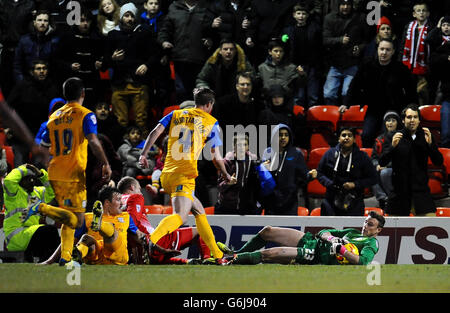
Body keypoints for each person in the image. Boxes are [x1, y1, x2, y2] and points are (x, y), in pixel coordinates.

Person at [139, 87, 236, 264]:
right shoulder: (211, 122)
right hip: (184, 175)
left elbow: (155, 132)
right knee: (181, 216)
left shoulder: (176, 114)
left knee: (199, 211)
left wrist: (144, 154)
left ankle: (218, 255)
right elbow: (215, 156)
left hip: (167, 173)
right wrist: (226, 175)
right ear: (209, 104)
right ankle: (151, 239)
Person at [40, 77, 112, 265]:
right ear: (83, 94)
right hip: (73, 174)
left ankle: (64, 257)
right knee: (78, 221)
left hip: (55, 171)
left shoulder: (54, 117)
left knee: (68, 217)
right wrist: (105, 162)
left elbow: (43, 146)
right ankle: (41, 208)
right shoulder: (85, 115)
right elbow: (94, 141)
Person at [217, 210, 385, 265]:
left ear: (378, 230)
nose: (365, 226)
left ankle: (230, 260)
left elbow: (363, 262)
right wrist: (332, 239)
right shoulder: (352, 232)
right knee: (267, 231)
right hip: (313, 241)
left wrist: (341, 249)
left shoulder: (372, 243)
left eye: (370, 225)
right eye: (365, 222)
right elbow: (323, 232)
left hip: (316, 254)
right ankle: (235, 251)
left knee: (269, 254)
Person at [117, 176, 211, 264]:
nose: (141, 193)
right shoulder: (135, 197)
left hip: (136, 251)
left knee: (159, 258)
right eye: (139, 189)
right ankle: (208, 260)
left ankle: (186, 262)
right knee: (200, 231)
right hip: (153, 242)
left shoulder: (117, 204)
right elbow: (132, 221)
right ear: (132, 187)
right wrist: (149, 243)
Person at [102, 2, 161, 136]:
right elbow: (104, 63)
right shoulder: (113, 35)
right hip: (119, 84)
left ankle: (145, 151)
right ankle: (120, 150)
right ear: (121, 17)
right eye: (127, 15)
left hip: (139, 84)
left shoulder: (144, 32)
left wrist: (146, 65)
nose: (130, 19)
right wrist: (113, 58)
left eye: (132, 16)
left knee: (141, 121)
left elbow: (156, 54)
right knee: (120, 121)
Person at [346, 38, 417, 148]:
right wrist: (346, 103)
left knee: (388, 136)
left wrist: (411, 108)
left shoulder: (400, 69)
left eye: (388, 50)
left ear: (393, 51)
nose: (384, 52)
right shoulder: (367, 65)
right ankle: (369, 161)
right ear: (377, 50)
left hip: (393, 109)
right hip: (373, 109)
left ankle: (386, 163)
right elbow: (354, 85)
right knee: (366, 135)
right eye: (382, 49)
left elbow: (411, 91)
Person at [379, 104, 444, 216]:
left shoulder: (426, 136)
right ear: (403, 120)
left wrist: (430, 145)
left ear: (419, 120)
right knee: (394, 230)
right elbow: (382, 162)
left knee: (429, 226)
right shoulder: (393, 136)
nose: (412, 120)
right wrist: (392, 147)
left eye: (415, 117)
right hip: (399, 192)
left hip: (421, 191)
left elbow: (438, 161)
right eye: (409, 117)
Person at [7, 60, 62, 166]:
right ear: (32, 72)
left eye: (44, 68)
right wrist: (8, 126)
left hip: (43, 136)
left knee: (40, 169)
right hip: (22, 133)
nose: (42, 71)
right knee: (20, 168)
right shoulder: (22, 86)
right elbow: (8, 106)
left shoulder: (53, 88)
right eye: (38, 69)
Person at [157, 0, 213, 103]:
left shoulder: (206, 8)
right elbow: (165, 30)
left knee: (199, 93)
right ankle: (184, 117)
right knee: (181, 92)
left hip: (199, 59)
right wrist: (164, 41)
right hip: (179, 58)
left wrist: (210, 40)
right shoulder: (174, 8)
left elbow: (212, 30)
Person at [2, 164, 60, 263]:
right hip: (16, 236)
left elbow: (54, 191)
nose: (32, 181)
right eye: (28, 178)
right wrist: (24, 168)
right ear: (20, 180)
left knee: (52, 233)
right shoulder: (13, 192)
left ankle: (54, 262)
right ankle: (45, 261)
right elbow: (8, 180)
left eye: (33, 178)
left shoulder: (38, 192)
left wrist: (41, 174)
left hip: (31, 233)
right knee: (48, 231)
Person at [317, 127, 377, 216]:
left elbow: (373, 178)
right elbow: (320, 173)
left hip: (355, 199)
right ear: (339, 138)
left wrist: (355, 184)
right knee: (329, 229)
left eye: (350, 135)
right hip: (331, 198)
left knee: (352, 229)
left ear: (354, 140)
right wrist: (329, 183)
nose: (346, 138)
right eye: (343, 135)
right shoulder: (329, 154)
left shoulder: (362, 156)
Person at [72, 185, 138, 265]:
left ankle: (100, 225)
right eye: (118, 200)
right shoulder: (87, 217)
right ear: (107, 203)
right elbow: (72, 240)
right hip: (97, 257)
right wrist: (55, 259)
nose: (121, 203)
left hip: (115, 254)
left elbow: (138, 237)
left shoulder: (126, 216)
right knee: (86, 239)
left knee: (112, 231)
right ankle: (77, 255)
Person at [259, 124, 316, 215]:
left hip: (290, 200)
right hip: (271, 199)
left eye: (286, 135)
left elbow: (303, 175)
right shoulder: (268, 152)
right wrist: (262, 168)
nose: (283, 138)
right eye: (280, 135)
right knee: (272, 228)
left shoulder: (296, 153)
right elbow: (262, 175)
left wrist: (310, 175)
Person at [322, 0, 369, 110]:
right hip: (335, 64)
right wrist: (340, 40)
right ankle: (330, 119)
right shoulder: (329, 18)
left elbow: (367, 40)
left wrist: (360, 48)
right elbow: (325, 40)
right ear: (338, 5)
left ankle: (348, 123)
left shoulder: (360, 18)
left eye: (348, 4)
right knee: (328, 94)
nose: (345, 7)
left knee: (347, 94)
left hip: (352, 63)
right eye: (343, 4)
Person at [53, 7, 103, 109]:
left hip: (91, 83)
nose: (85, 24)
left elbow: (103, 57)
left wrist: (100, 62)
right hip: (72, 82)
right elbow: (56, 59)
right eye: (82, 20)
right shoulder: (67, 37)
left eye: (88, 21)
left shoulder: (97, 38)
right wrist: (69, 66)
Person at [281, 3, 322, 108]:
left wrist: (316, 65)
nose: (301, 16)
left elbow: (319, 48)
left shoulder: (315, 29)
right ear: (294, 15)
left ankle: (313, 122)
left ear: (307, 15)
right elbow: (285, 49)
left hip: (311, 66)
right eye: (298, 13)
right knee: (298, 96)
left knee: (313, 95)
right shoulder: (288, 30)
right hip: (296, 66)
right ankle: (298, 121)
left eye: (304, 13)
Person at [215, 133, 259, 215]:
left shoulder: (252, 160)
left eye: (244, 145)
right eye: (239, 145)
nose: (242, 147)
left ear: (248, 147)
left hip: (245, 206)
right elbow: (219, 187)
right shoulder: (226, 162)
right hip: (227, 206)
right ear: (234, 147)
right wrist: (228, 183)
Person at [400, 2, 433, 106]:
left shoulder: (431, 28)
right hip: (408, 65)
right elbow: (402, 45)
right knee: (408, 92)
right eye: (418, 11)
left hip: (423, 68)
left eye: (424, 11)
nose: (421, 13)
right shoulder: (409, 26)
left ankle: (422, 115)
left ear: (428, 13)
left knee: (422, 93)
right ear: (414, 14)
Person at [12, 10, 59, 83]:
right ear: (34, 22)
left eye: (45, 20)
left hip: (47, 83)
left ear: (49, 23)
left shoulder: (54, 41)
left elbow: (56, 66)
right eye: (39, 20)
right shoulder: (24, 40)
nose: (42, 23)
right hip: (27, 82)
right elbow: (17, 65)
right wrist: (22, 82)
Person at [370, 111, 402, 210]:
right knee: (371, 173)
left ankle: (393, 198)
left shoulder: (401, 137)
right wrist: (376, 165)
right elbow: (374, 157)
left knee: (385, 172)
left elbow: (402, 158)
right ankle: (383, 199)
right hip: (382, 166)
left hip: (398, 168)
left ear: (398, 123)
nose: (390, 123)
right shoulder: (380, 139)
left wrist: (386, 165)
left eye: (393, 120)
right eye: (388, 121)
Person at [426, 16, 450, 148]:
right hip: (442, 85)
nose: (446, 27)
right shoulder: (438, 39)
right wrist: (437, 26)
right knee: (446, 135)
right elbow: (428, 39)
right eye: (444, 25)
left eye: (449, 25)